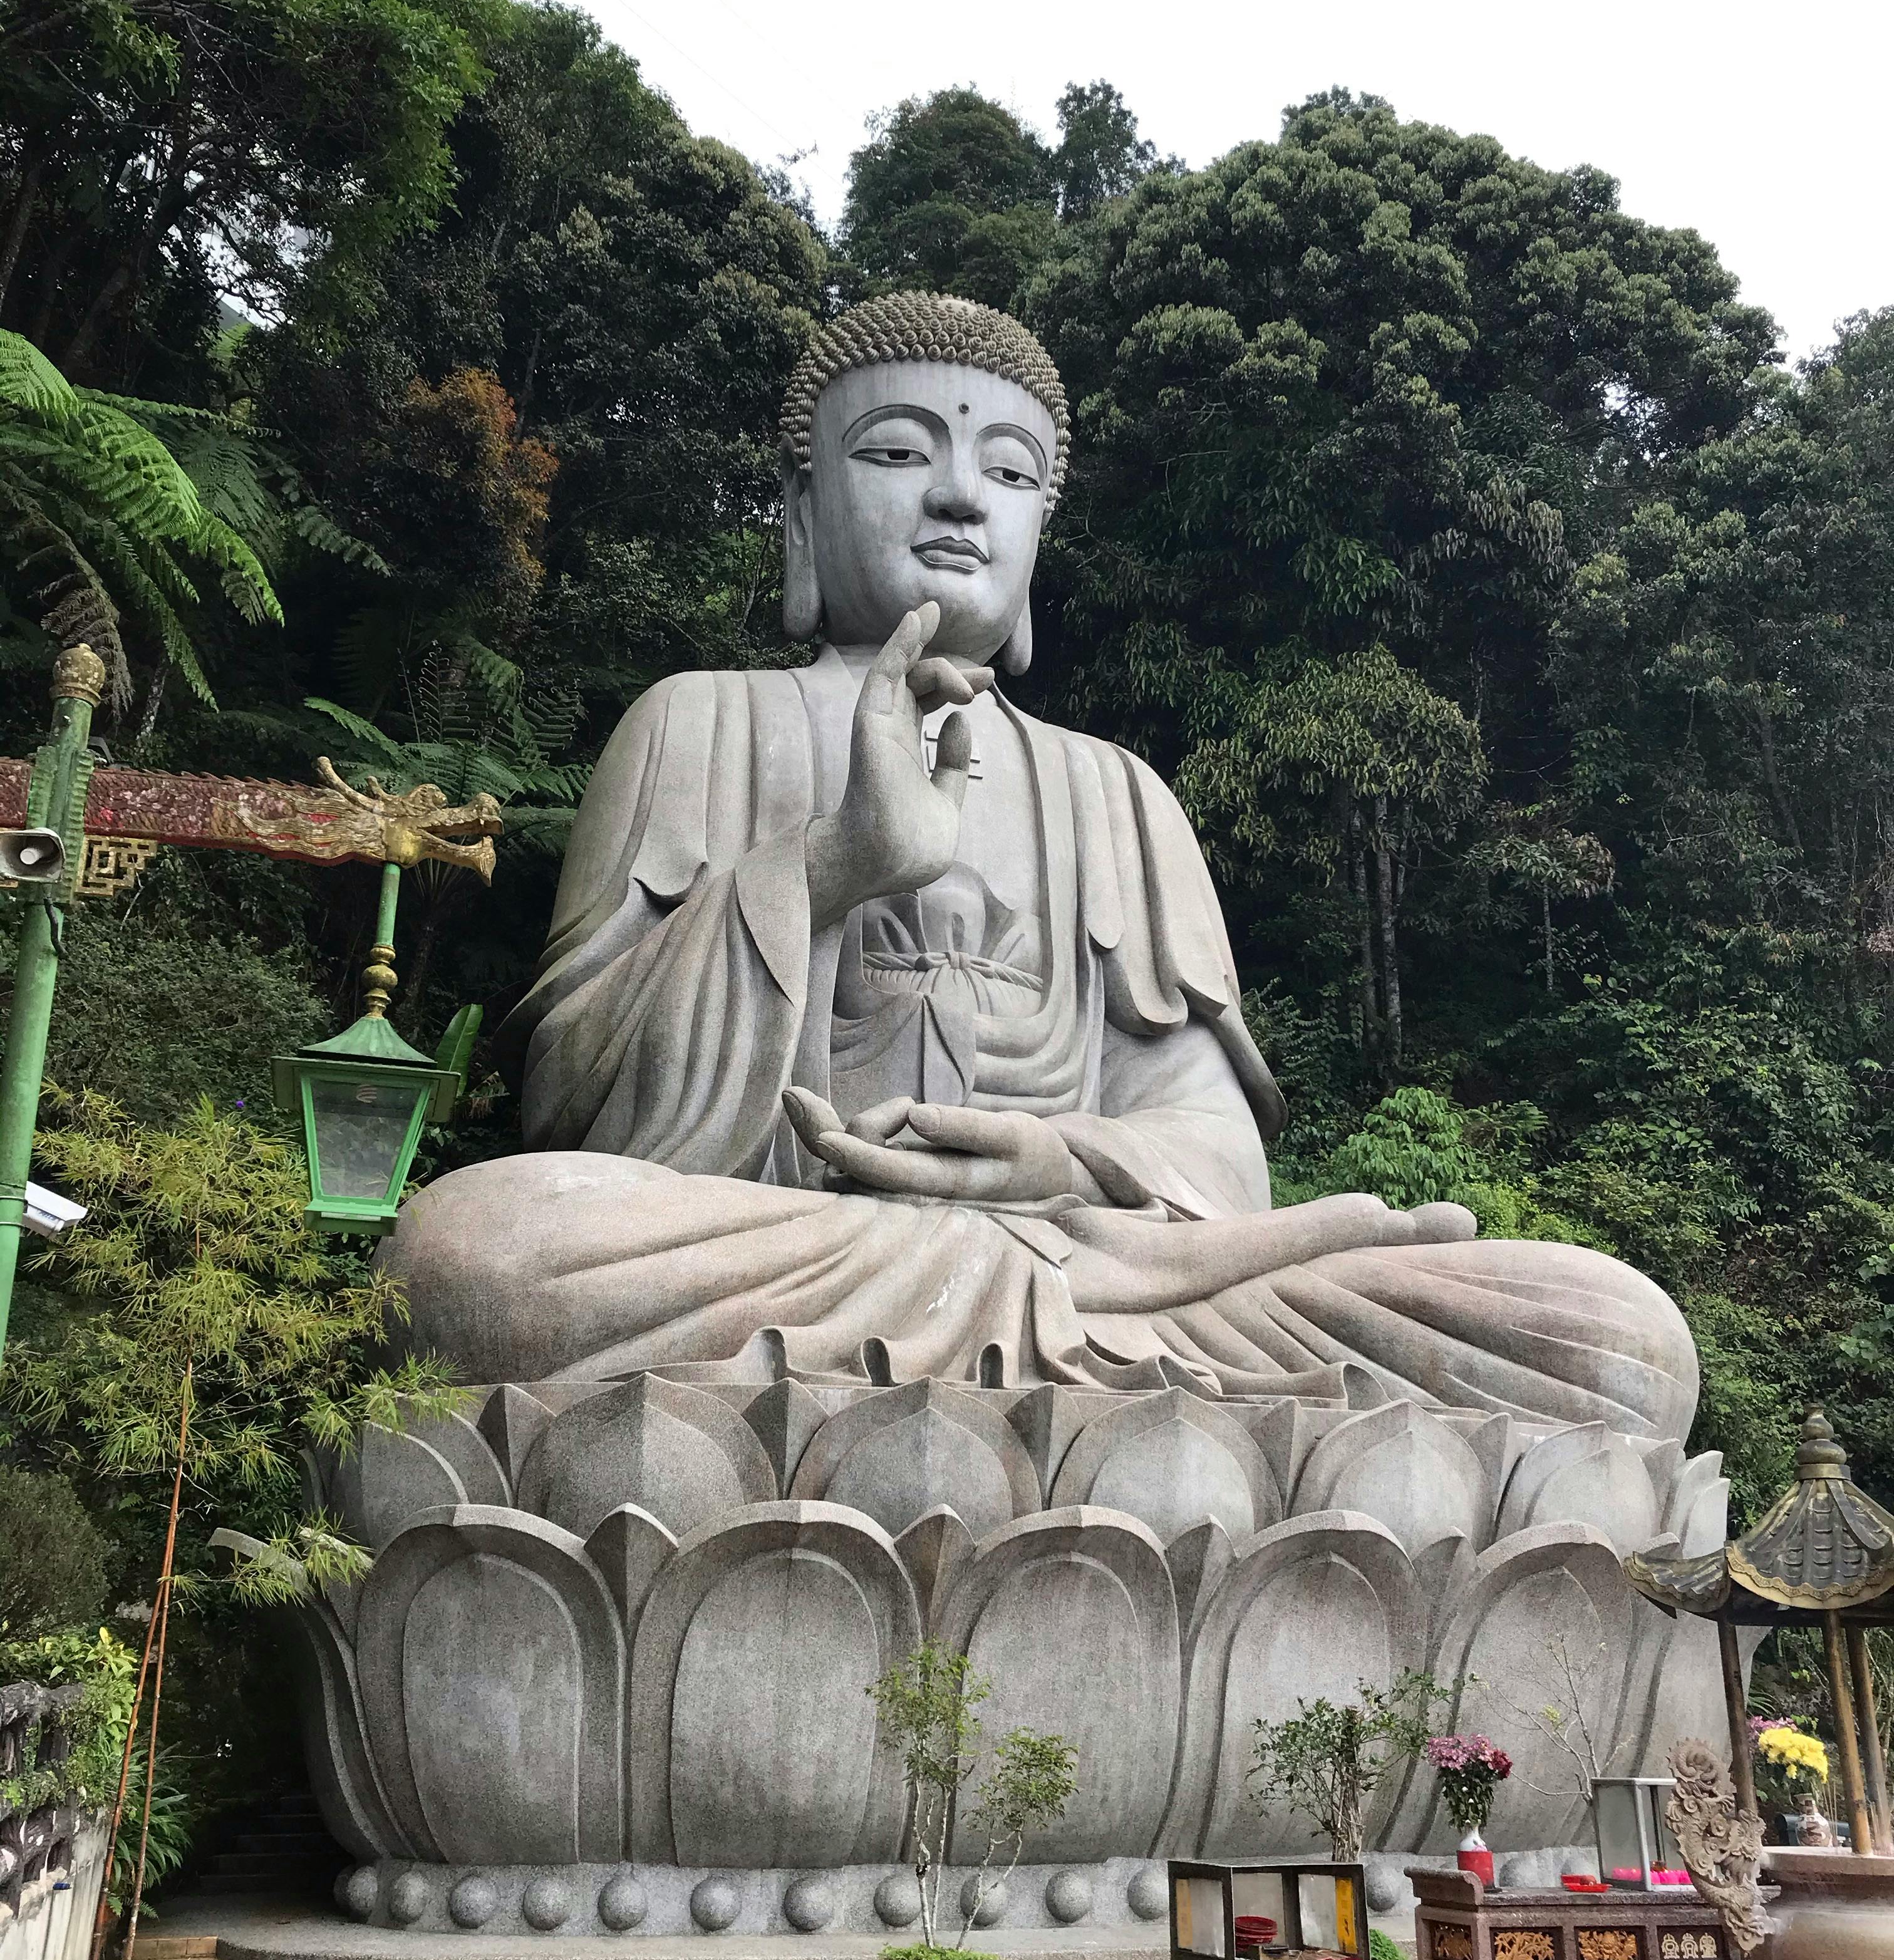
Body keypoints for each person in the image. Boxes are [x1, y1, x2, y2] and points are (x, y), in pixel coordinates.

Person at [390, 293, 1697, 1429]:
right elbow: (570, 1106)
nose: (960, 494)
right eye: (900, 451)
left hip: (1102, 1277)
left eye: (1009, 473)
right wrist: (833, 866)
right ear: (802, 508)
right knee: (477, 1261)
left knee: (1614, 1337)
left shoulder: (1117, 793)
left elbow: (1221, 1160)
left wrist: (1066, 1166)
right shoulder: (697, 723)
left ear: (1040, 532)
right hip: (792, 1252)